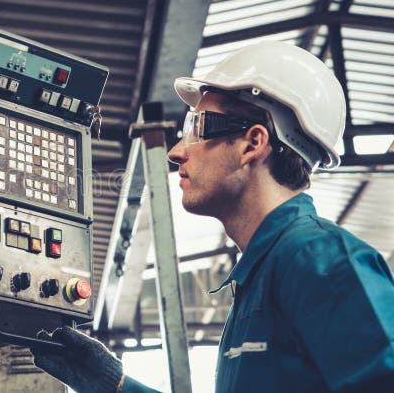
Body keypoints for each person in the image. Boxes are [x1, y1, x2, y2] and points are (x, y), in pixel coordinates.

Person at [30, 41, 394, 392]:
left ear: (253, 144)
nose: (175, 152)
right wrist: (117, 386)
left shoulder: (324, 262)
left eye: (196, 128)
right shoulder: (259, 280)